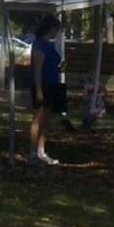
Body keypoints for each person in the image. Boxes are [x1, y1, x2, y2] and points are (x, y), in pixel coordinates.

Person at [30, 15, 69, 165]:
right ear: (50, 29)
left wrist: (62, 68)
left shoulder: (49, 45)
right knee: (38, 119)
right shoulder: (39, 45)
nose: (56, 33)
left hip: (53, 84)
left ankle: (42, 151)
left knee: (46, 121)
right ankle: (33, 153)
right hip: (43, 85)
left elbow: (54, 68)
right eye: (56, 30)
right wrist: (39, 90)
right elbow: (38, 70)